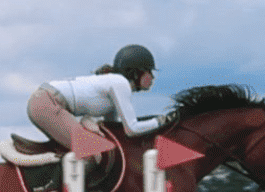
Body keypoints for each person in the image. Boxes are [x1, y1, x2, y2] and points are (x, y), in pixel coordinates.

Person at [27, 44, 164, 150]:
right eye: (149, 71)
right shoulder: (120, 83)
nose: (152, 77)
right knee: (91, 152)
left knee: (86, 147)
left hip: (45, 101)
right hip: (48, 103)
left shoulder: (114, 85)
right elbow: (132, 129)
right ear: (136, 73)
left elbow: (112, 127)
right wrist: (161, 121)